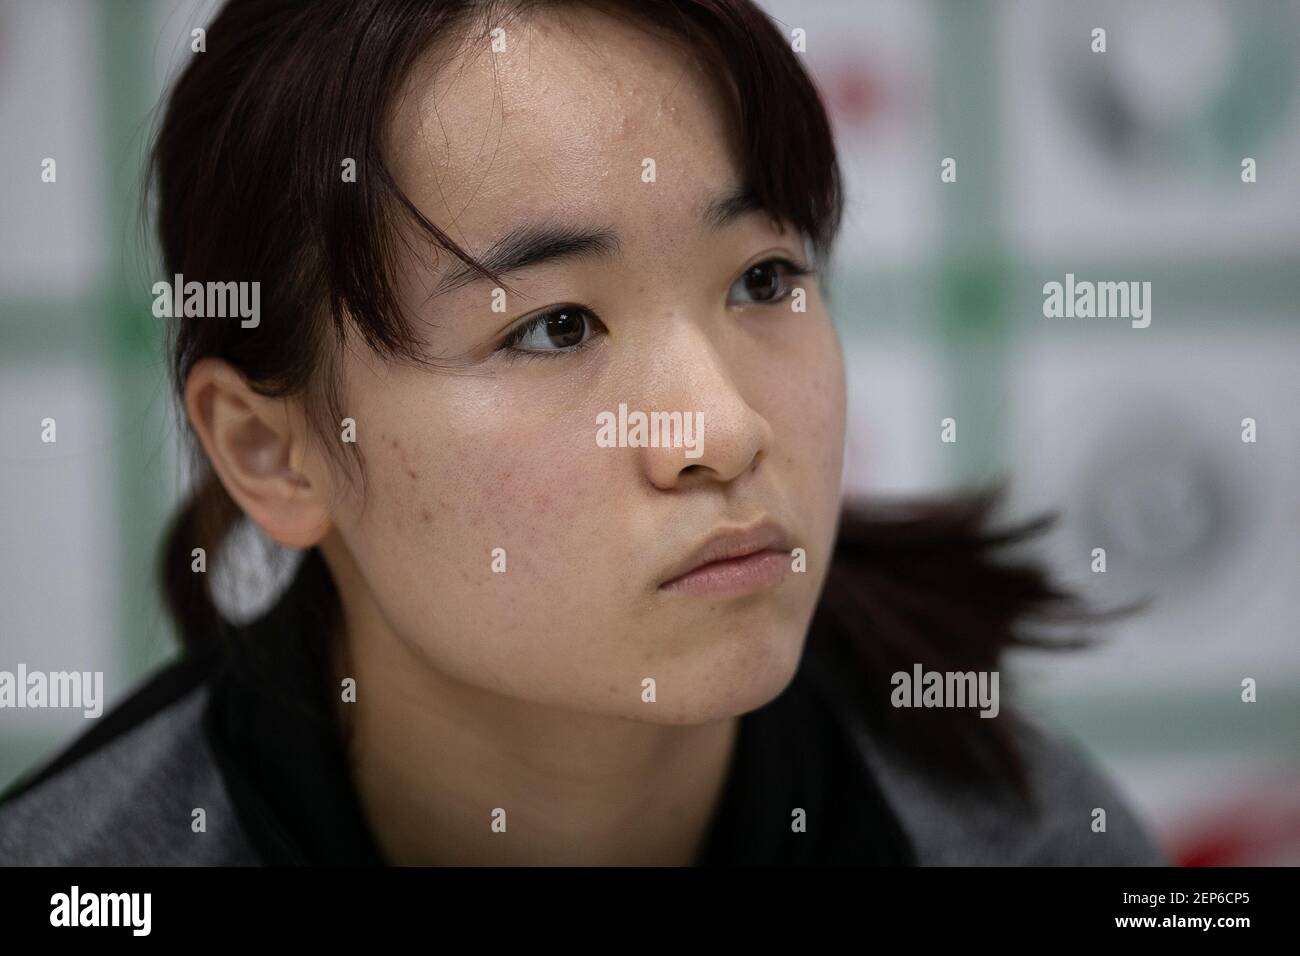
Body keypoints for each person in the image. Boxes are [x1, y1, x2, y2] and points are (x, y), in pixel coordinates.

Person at [0, 0, 1166, 866]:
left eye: (763, 278)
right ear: (270, 450)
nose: (722, 428)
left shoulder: (1020, 833)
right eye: (555, 327)